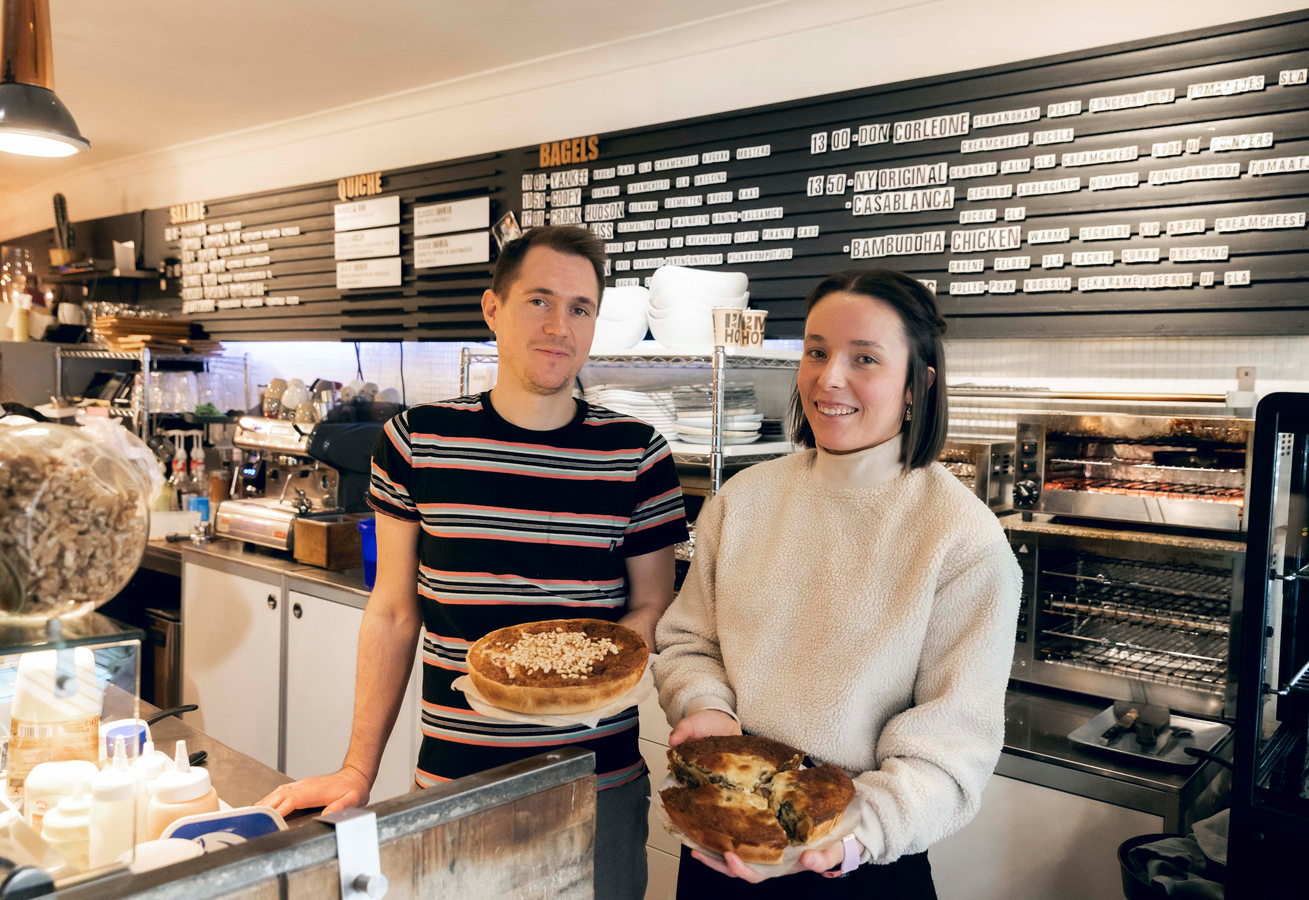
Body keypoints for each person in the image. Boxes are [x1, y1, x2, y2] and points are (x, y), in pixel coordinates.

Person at [260, 225, 689, 900]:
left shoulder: (636, 452)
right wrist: (355, 771)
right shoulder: (417, 442)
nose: (559, 326)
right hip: (455, 784)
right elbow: (396, 612)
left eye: (579, 308)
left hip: (595, 783)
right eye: (539, 301)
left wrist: (565, 687)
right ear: (493, 309)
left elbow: (652, 605)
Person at [654, 269, 1022, 897]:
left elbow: (950, 751)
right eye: (817, 351)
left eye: (865, 358)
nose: (829, 378)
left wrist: (852, 833)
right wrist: (704, 706)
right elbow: (690, 642)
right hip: (722, 835)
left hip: (858, 865)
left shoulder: (961, 539)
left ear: (917, 384)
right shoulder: (743, 501)